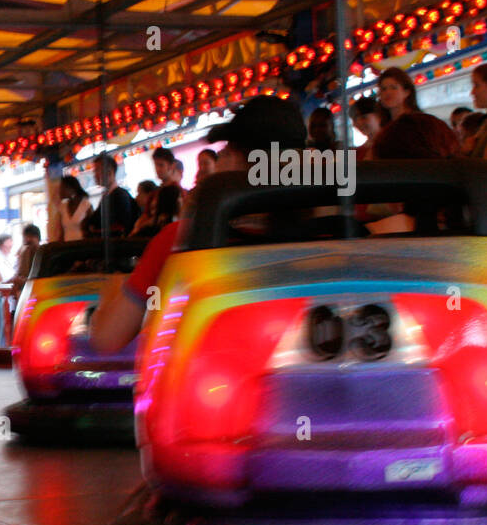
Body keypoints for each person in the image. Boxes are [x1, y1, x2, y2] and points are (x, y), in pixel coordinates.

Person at [90, 95, 307, 354]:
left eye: (224, 152)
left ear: (237, 161)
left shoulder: (181, 242)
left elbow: (107, 338)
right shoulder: (333, 238)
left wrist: (110, 295)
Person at [83, 155, 140, 236]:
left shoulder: (120, 196)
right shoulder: (106, 197)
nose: (95, 175)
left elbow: (122, 226)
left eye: (97, 170)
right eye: (94, 171)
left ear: (110, 172)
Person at [56, 174, 92, 241]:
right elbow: (61, 233)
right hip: (67, 247)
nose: (60, 191)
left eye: (62, 188)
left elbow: (91, 230)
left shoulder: (86, 205)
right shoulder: (63, 207)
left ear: (71, 188)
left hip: (82, 246)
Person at [349, 95, 385, 160]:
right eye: (354, 119)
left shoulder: (390, 144)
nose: (358, 123)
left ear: (379, 116)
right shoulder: (358, 152)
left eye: (364, 118)